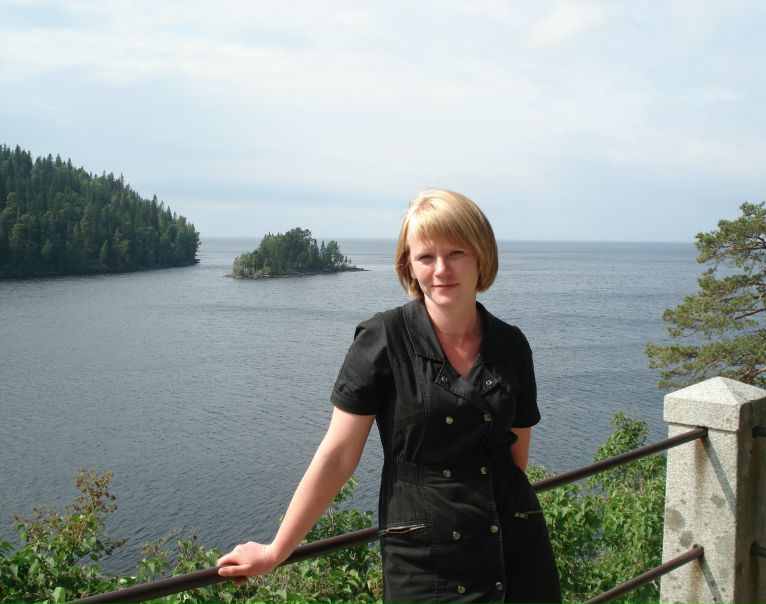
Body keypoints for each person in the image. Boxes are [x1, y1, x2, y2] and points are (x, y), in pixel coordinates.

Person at [217, 189, 562, 603]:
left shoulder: (511, 345)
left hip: (517, 550)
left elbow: (515, 459)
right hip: (426, 563)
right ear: (409, 266)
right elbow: (338, 456)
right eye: (426, 257)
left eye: (456, 252)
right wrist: (277, 550)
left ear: (481, 256)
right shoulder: (382, 340)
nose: (441, 269)